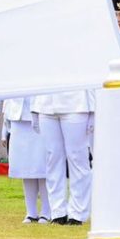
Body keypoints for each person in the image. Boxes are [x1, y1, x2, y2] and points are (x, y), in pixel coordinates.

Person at [33, 88, 94, 225]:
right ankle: (57, 212)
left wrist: (93, 110)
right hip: (45, 104)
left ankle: (78, 213)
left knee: (77, 159)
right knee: (52, 159)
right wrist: (34, 108)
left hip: (76, 104)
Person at [3, 99, 49, 222]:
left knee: (42, 166)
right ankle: (31, 212)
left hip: (41, 112)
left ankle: (46, 211)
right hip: (17, 115)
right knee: (25, 167)